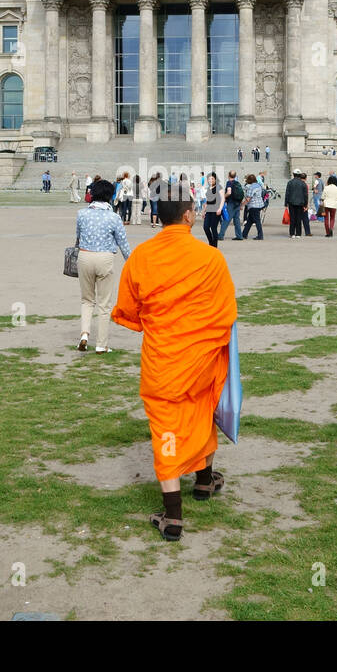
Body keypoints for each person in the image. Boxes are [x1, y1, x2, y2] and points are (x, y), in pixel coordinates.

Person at [112, 181, 237, 541]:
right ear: (187, 215)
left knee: (166, 429)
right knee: (202, 413)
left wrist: (157, 323)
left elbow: (127, 312)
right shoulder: (211, 258)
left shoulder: (140, 257)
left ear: (158, 215)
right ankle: (202, 481)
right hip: (202, 358)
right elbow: (227, 313)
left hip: (163, 360)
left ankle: (174, 514)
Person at [74, 178, 131, 354]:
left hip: (84, 256)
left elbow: (78, 236)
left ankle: (84, 334)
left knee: (87, 300)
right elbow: (123, 243)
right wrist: (131, 261)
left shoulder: (81, 214)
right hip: (105, 258)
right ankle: (101, 344)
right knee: (104, 304)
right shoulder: (114, 217)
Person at [285, 170, 310, 238]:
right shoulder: (303, 183)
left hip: (291, 203)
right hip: (300, 203)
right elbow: (305, 195)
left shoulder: (290, 182)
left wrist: (286, 203)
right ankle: (298, 233)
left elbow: (287, 193)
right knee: (299, 218)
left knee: (292, 218)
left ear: (293, 174)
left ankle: (292, 233)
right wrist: (305, 204)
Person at [202, 173, 224, 248]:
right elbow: (208, 201)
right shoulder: (209, 188)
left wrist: (220, 209)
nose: (210, 180)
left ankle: (214, 246)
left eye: (212, 179)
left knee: (213, 228)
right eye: (209, 179)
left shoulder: (219, 187)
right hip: (209, 210)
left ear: (215, 179)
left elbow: (223, 198)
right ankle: (211, 242)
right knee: (205, 227)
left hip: (216, 210)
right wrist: (204, 211)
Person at [241, 173, 265, 240]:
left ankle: (260, 235)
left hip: (253, 206)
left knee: (257, 221)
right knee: (249, 221)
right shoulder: (258, 185)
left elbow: (248, 198)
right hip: (259, 205)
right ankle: (244, 234)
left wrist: (242, 205)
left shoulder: (251, 187)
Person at [225, 171, 246, 240]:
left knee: (226, 219)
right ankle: (239, 236)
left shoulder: (229, 183)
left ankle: (220, 235)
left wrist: (224, 196)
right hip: (237, 203)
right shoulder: (237, 183)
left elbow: (229, 192)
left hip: (231, 203)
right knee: (237, 220)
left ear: (229, 175)